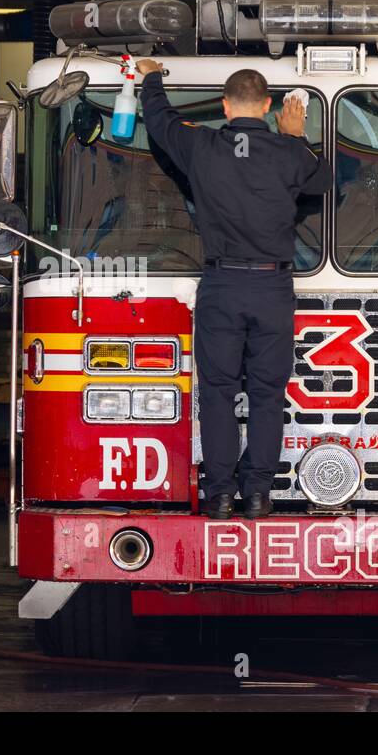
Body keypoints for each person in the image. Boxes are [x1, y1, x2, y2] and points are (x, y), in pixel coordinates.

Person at [136, 59, 329, 519]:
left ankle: (219, 494)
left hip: (221, 284)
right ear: (267, 107)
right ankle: (258, 494)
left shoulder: (201, 145)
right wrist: (295, 136)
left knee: (218, 392)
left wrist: (151, 77)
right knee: (267, 395)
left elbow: (160, 121)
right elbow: (323, 182)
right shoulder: (289, 152)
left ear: (225, 107)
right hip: (272, 285)